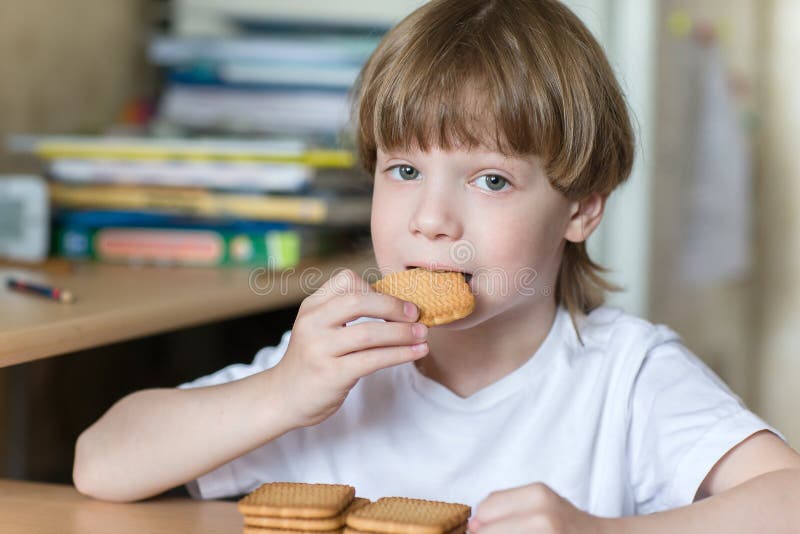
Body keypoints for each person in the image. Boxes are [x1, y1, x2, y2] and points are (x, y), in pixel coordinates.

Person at [74, 0, 800, 531]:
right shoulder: (334, 370)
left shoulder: (627, 378)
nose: (430, 219)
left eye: (490, 180)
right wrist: (281, 392)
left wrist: (599, 533)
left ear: (580, 209)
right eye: (403, 170)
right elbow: (100, 463)